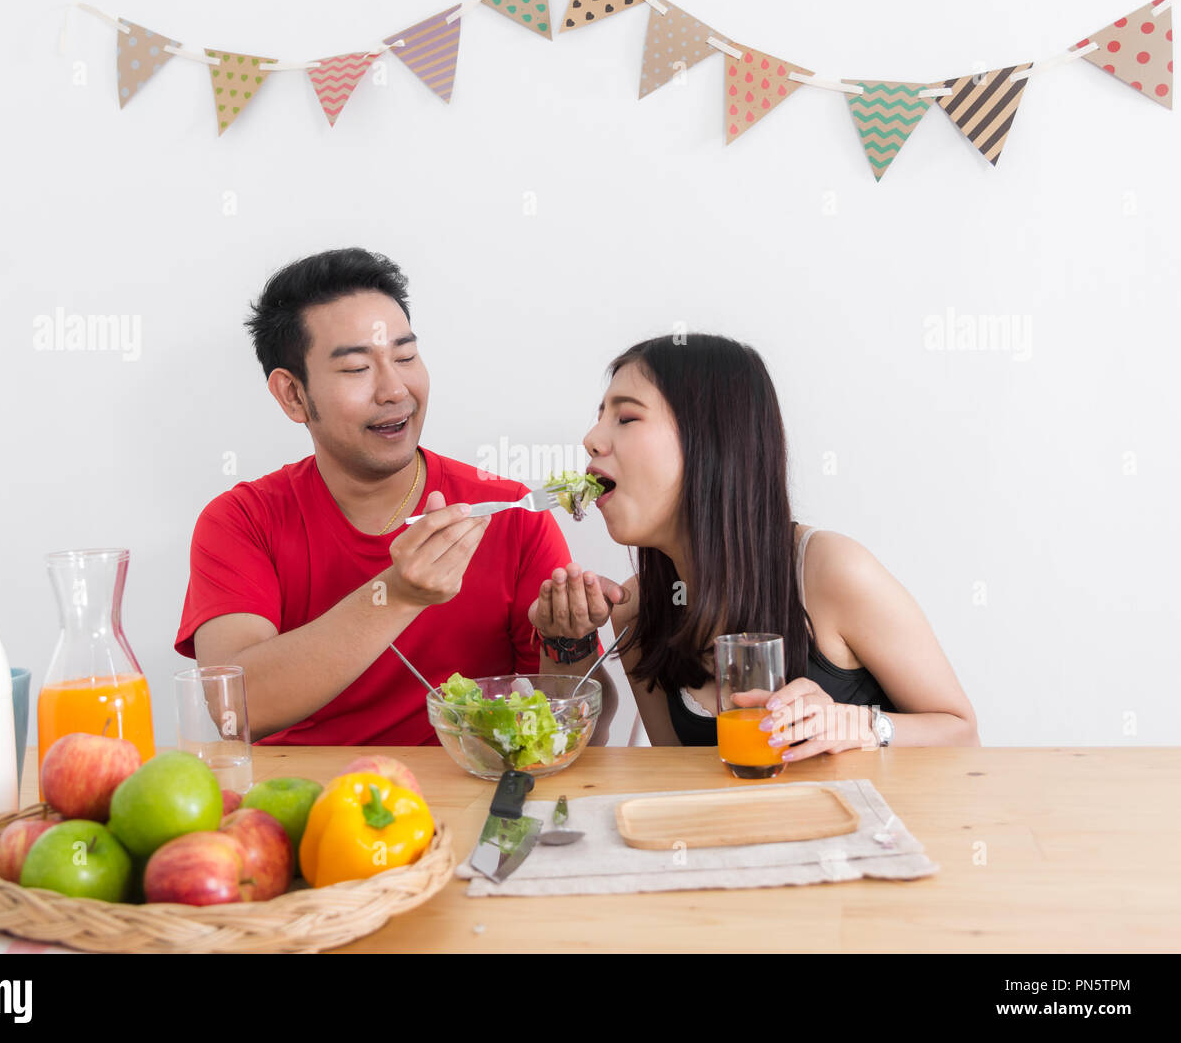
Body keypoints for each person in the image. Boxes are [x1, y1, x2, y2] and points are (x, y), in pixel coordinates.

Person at [175, 247, 619, 745]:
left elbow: (573, 733)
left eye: (405, 357)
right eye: (356, 369)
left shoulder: (511, 513)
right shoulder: (241, 521)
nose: (394, 390)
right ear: (293, 396)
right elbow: (237, 710)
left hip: (470, 805)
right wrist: (399, 595)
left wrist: (568, 640)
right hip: (307, 808)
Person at [533, 332, 978, 753]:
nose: (590, 440)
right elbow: (674, 775)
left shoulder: (830, 569)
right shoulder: (635, 609)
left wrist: (857, 724)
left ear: (710, 440)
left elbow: (963, 735)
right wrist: (567, 642)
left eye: (626, 417)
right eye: (599, 418)